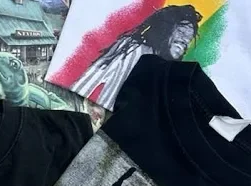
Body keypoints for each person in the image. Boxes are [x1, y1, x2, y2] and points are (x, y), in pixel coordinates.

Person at [71, 5, 202, 109]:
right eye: (181, 32)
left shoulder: (168, 73)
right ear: (166, 29)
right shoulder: (132, 50)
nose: (185, 41)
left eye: (189, 38)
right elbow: (87, 81)